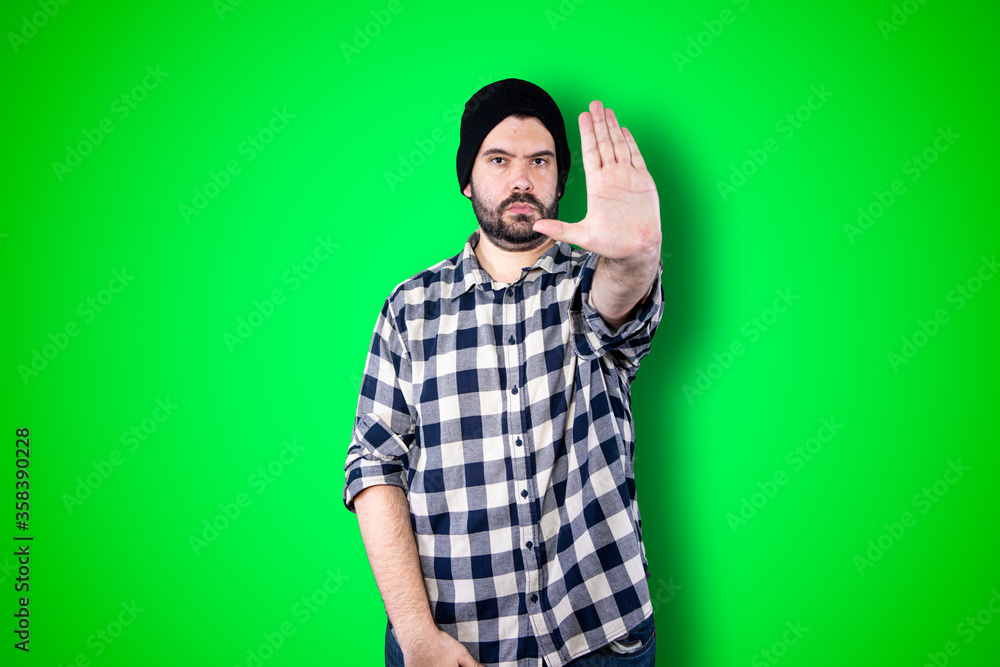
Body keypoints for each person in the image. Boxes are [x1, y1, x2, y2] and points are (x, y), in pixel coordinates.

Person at [343, 78, 664, 667]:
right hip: (452, 646)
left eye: (540, 161)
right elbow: (375, 465)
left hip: (600, 638)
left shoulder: (590, 284)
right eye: (499, 159)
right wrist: (416, 634)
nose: (521, 179)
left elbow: (620, 308)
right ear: (468, 178)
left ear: (562, 179)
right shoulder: (410, 308)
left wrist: (638, 253)